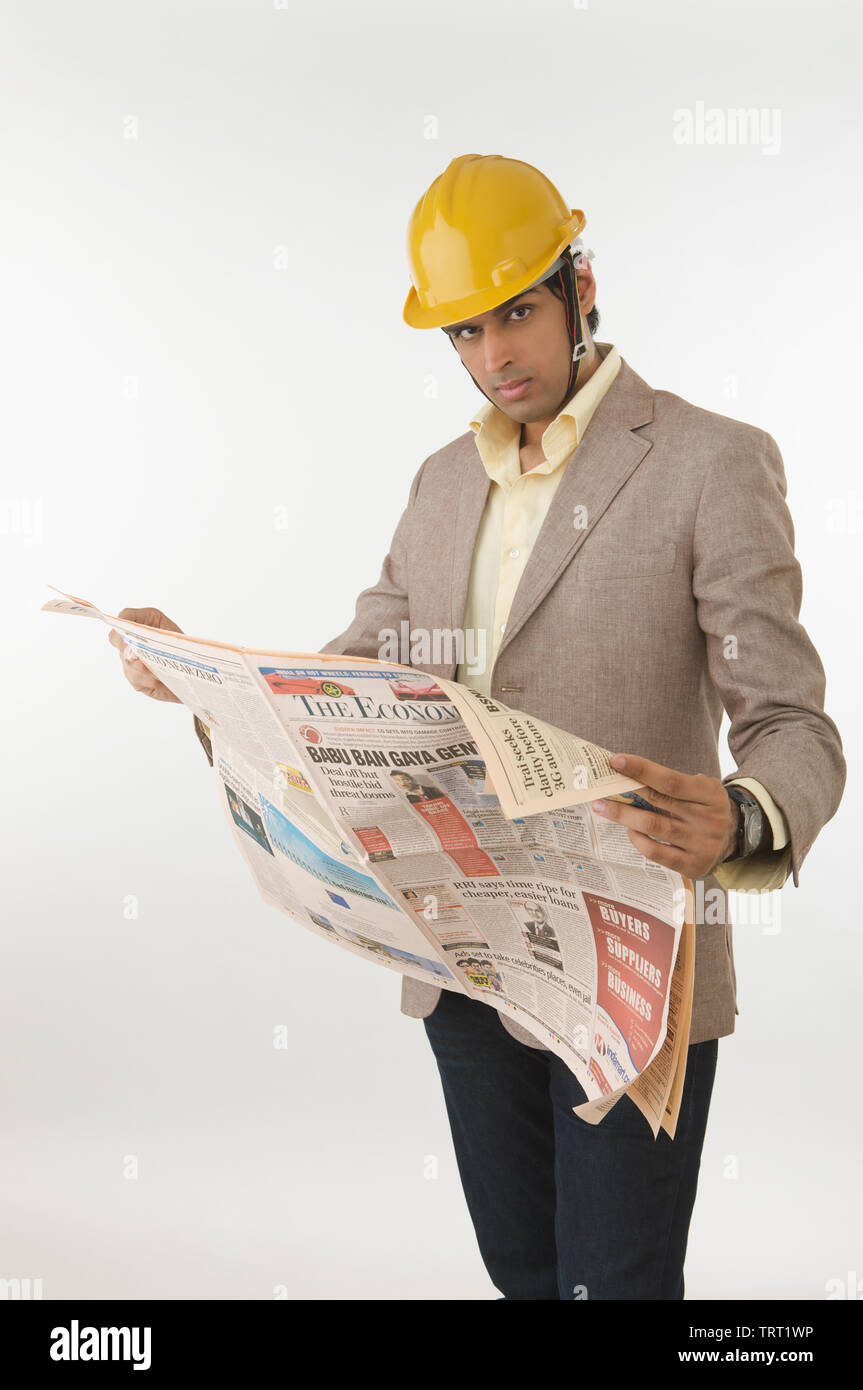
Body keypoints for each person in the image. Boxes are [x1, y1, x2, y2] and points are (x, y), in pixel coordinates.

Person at [109, 153, 846, 1300]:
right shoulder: (440, 482)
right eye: (461, 331)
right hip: (461, 964)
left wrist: (743, 819)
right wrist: (209, 683)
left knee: (615, 1283)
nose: (493, 354)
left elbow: (794, 722)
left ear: (580, 285)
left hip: (630, 979)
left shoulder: (711, 462)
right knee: (523, 1278)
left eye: (516, 312)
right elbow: (357, 672)